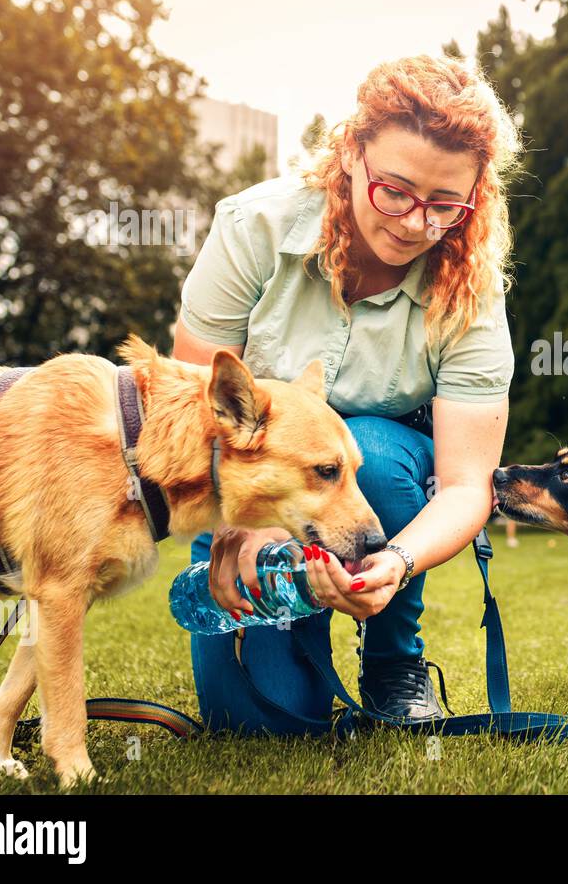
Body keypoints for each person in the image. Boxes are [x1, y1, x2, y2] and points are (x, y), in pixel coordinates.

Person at [172, 54, 521, 726]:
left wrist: (396, 559)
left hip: (385, 482)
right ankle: (291, 632)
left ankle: (393, 657)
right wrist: (238, 536)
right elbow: (192, 418)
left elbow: (466, 488)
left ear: (474, 197)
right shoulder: (253, 228)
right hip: (250, 497)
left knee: (372, 452)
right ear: (351, 154)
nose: (415, 223)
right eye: (395, 190)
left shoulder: (472, 293)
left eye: (445, 203)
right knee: (261, 725)